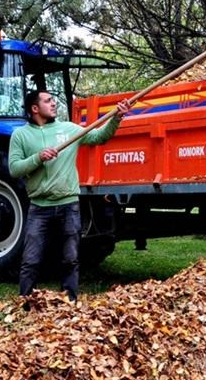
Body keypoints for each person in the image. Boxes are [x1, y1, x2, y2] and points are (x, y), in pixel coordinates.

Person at [9, 89, 130, 303]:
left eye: (53, 100)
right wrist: (38, 157)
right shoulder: (21, 135)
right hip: (39, 206)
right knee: (31, 259)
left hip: (69, 205)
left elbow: (99, 137)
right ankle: (25, 302)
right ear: (34, 109)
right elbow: (14, 169)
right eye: (48, 101)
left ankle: (69, 301)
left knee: (71, 258)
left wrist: (117, 118)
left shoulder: (69, 129)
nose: (53, 104)